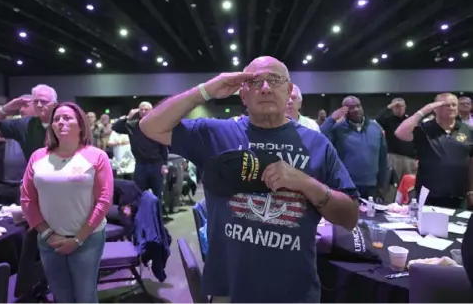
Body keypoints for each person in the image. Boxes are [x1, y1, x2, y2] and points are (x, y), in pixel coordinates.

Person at [139, 56, 359, 302]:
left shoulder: (317, 144)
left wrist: (306, 183)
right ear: (242, 95)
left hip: (296, 293)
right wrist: (205, 91)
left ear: (289, 91)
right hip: (230, 291)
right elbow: (150, 126)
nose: (265, 87)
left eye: (274, 80)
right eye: (255, 82)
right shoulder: (216, 134)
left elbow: (350, 217)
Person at [20, 102, 113, 303]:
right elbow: (27, 199)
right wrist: (47, 233)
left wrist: (78, 239)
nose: (60, 122)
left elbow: (104, 200)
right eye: (56, 119)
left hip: (87, 239)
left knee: (85, 296)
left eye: (67, 118)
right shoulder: (38, 156)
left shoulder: (96, 156)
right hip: (49, 241)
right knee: (61, 297)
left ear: (80, 124)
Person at [395, 93, 473, 209]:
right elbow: (400, 133)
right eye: (446, 105)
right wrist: (423, 111)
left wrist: (471, 191)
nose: (451, 108)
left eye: (454, 105)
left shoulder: (468, 130)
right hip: (429, 195)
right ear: (435, 108)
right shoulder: (424, 129)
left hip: (459, 196)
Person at [321, 96, 388, 201]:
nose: (356, 109)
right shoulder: (337, 130)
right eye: (351, 107)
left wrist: (382, 189)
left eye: (358, 106)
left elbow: (383, 159)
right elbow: (320, 137)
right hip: (347, 185)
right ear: (345, 111)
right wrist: (331, 119)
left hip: (372, 187)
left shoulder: (376, 128)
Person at [112, 102, 168, 196]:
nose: (143, 111)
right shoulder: (133, 126)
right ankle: (142, 211)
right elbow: (115, 127)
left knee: (157, 194)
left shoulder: (158, 125)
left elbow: (163, 146)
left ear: (151, 111)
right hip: (140, 165)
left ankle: (157, 211)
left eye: (146, 109)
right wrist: (128, 117)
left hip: (156, 164)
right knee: (139, 193)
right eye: (141, 109)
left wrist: (165, 164)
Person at [0, 85, 57, 161]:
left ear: (55, 105)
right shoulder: (25, 124)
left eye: (43, 101)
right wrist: (5, 109)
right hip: (33, 171)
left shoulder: (63, 123)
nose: (39, 105)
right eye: (35, 101)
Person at [375, 98, 416, 180]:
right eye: (396, 107)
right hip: (394, 157)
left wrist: (417, 158)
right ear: (392, 108)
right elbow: (377, 120)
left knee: (410, 184)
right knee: (393, 185)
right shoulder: (388, 121)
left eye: (401, 106)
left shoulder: (411, 120)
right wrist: (388, 107)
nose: (399, 109)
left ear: (405, 107)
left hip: (410, 158)